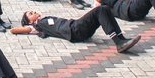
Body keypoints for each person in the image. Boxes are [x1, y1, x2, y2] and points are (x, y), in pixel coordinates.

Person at [11, 8, 142, 53]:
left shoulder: (44, 20)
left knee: (105, 9)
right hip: (74, 30)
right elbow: (14, 31)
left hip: (77, 27)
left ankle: (121, 39)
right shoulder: (37, 26)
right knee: (100, 10)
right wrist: (28, 26)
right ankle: (118, 43)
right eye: (31, 14)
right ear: (30, 21)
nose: (34, 12)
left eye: (32, 11)